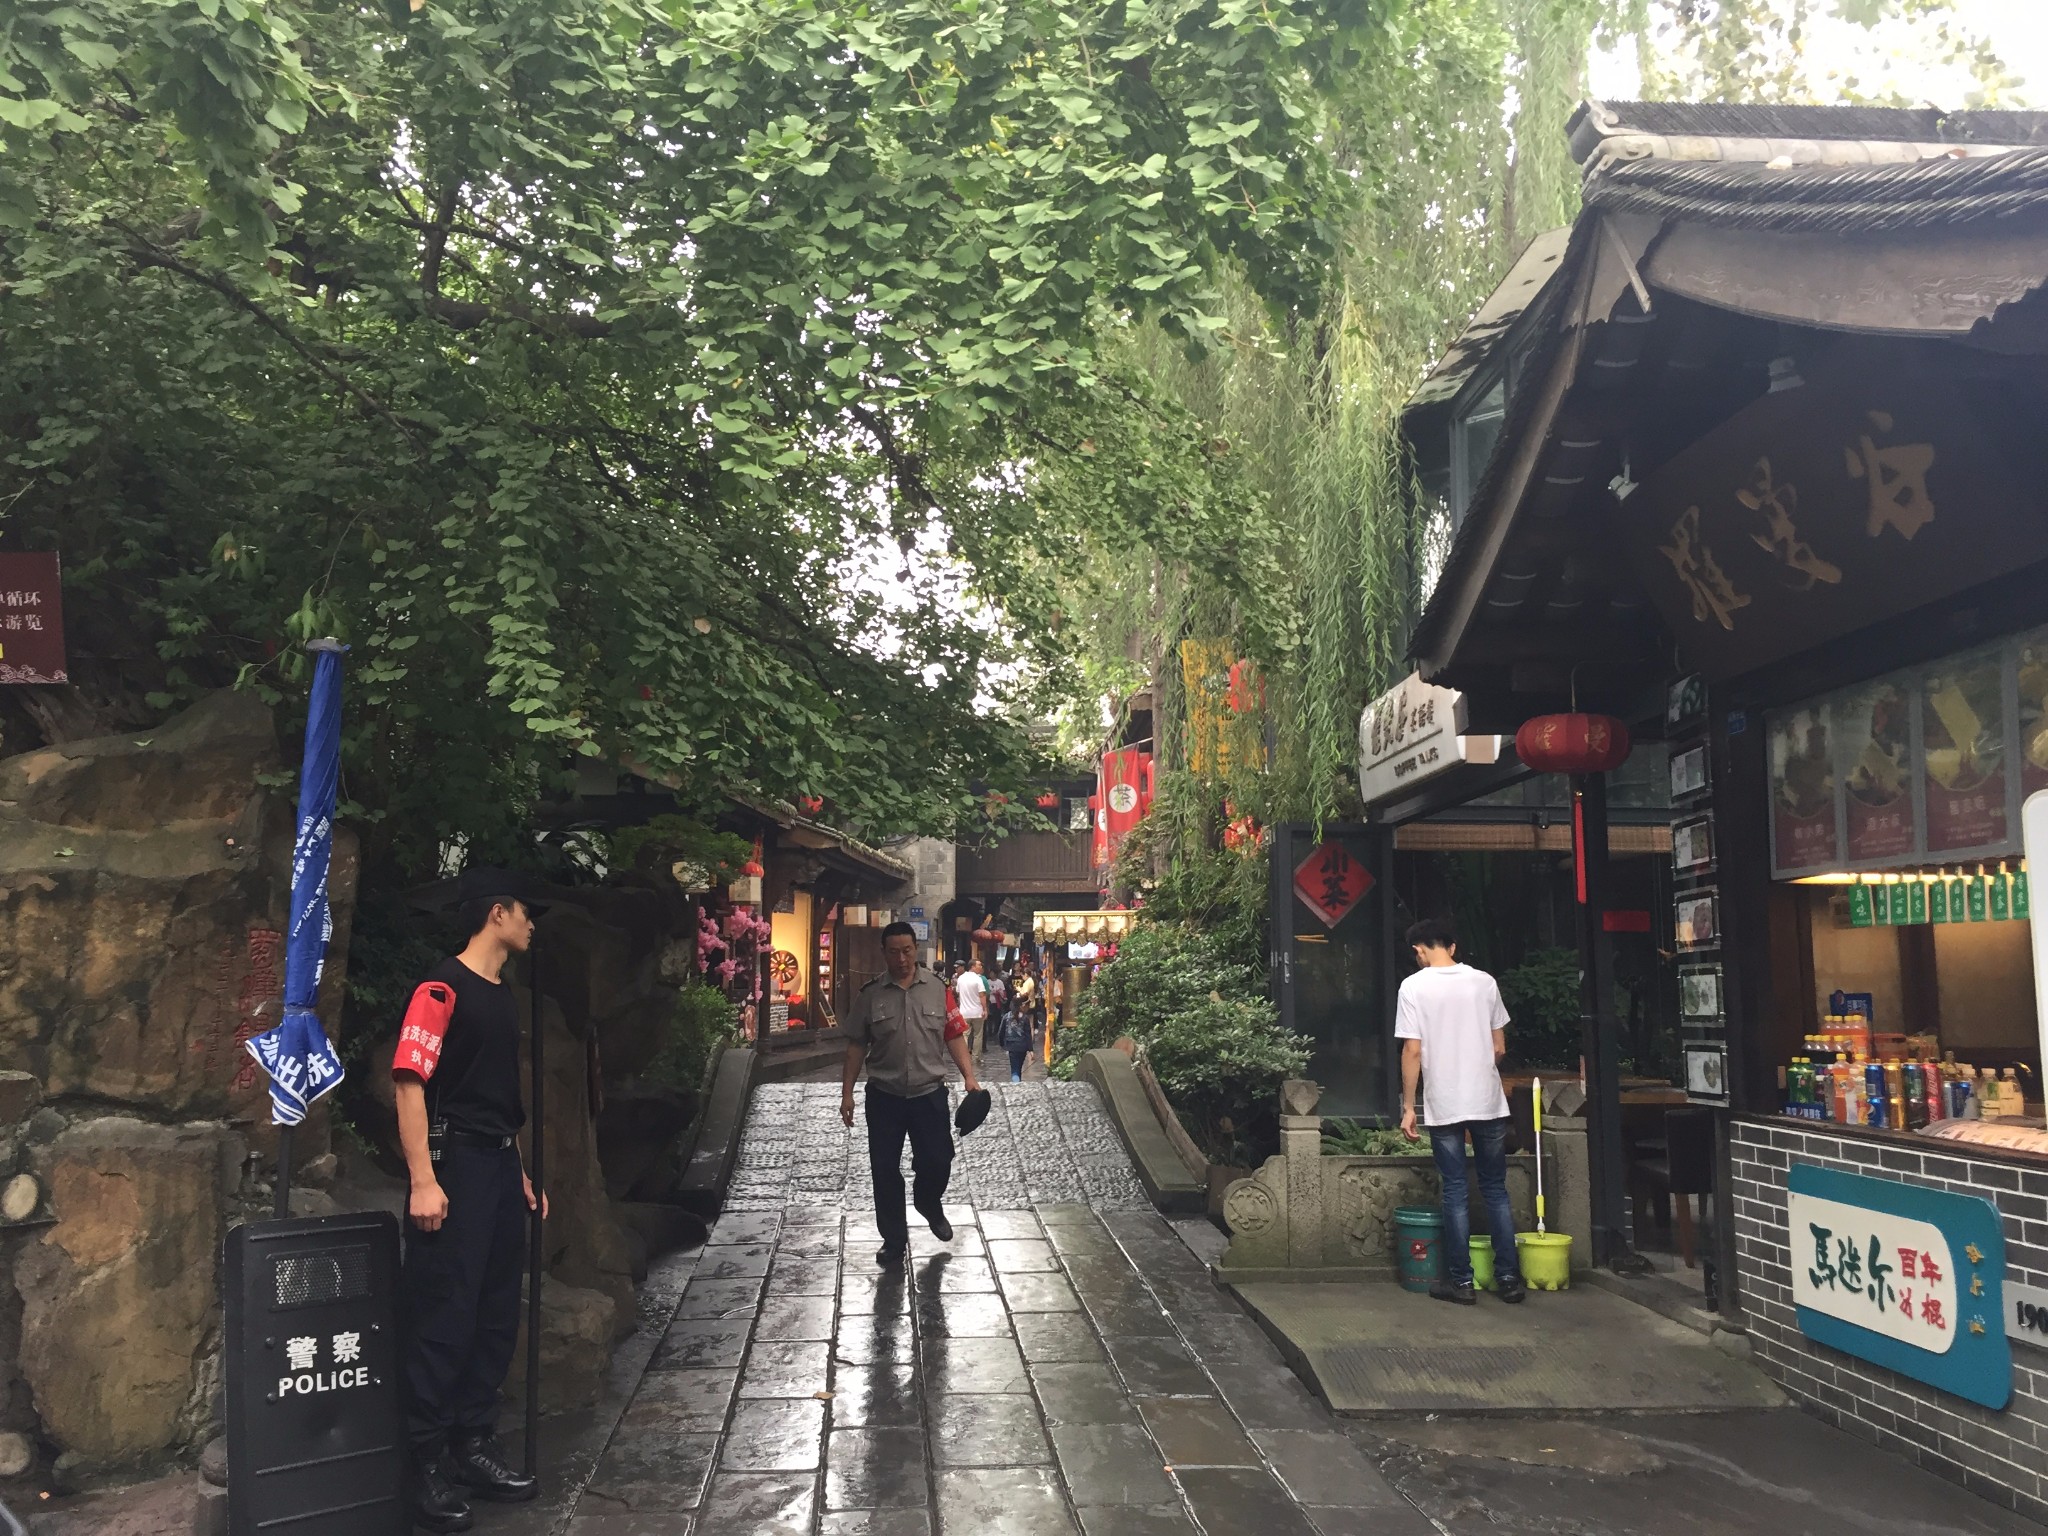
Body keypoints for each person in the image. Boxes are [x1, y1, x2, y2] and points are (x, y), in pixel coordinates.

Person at [392, 869, 551, 1532]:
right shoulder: (441, 988)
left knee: (493, 1309)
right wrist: (423, 1180)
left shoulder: (502, 995)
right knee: (446, 1311)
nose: (531, 924)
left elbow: (497, 1099)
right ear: (496, 914)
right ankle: (425, 1460)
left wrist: (518, 1173)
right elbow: (409, 1082)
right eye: (524, 912)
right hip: (453, 1162)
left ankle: (473, 1444)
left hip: (497, 1163)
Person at [1396, 916, 1527, 1307]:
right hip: (1487, 1101)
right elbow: (1499, 1047)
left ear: (1419, 950)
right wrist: (1478, 1070)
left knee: (1454, 1191)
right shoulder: (1484, 982)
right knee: (1495, 1190)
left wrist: (1409, 1106)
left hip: (1446, 1102)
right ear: (1451, 947)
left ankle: (1462, 1283)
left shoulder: (1413, 987)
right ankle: (1509, 1280)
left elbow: (1413, 1051)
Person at [843, 923, 983, 1266]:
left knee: (938, 1159)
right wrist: (847, 1093)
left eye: (907, 951)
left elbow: (953, 1034)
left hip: (929, 1094)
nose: (902, 959)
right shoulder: (870, 994)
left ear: (915, 949)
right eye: (894, 952)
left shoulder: (937, 989)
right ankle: (893, 1240)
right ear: (884, 952)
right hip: (884, 1096)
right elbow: (856, 1045)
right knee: (884, 1170)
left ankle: (927, 1201)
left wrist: (969, 1077)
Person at [954, 956, 989, 1063]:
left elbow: (958, 994)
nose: (981, 966)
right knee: (978, 1035)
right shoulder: (978, 979)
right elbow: (982, 995)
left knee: (965, 1034)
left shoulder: (961, 978)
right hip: (977, 1011)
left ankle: (964, 1056)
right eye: (979, 965)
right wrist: (985, 1009)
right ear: (972, 966)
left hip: (964, 1012)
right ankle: (976, 1056)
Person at [998, 990, 1034, 1083]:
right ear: (1023, 1006)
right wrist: (1030, 1049)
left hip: (1011, 1045)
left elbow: (1001, 1032)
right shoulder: (1025, 1018)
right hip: (1022, 1046)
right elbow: (1028, 1035)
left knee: (1014, 1067)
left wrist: (1002, 1044)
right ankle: (1018, 1081)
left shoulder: (1006, 1016)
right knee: (1019, 1066)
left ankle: (1016, 1081)